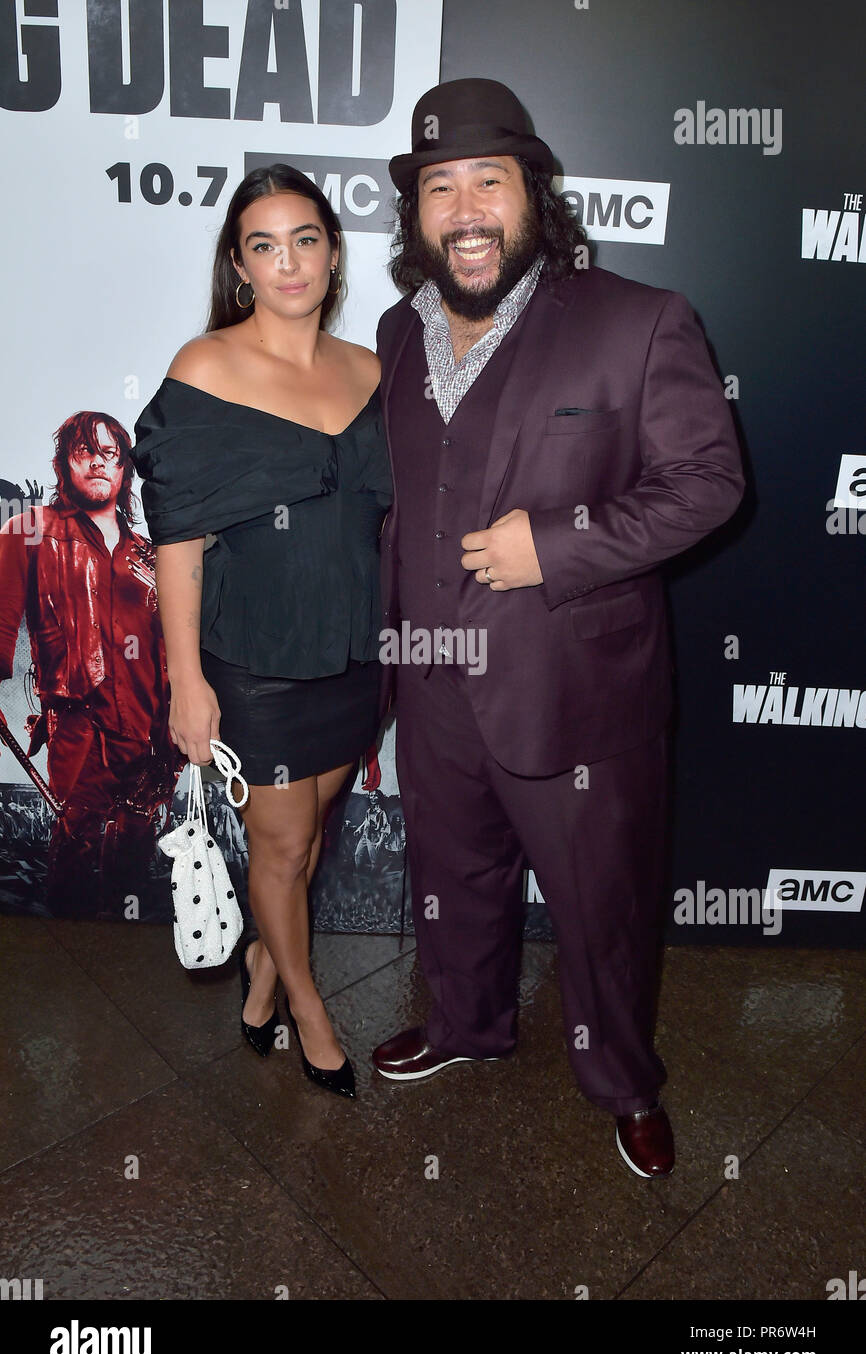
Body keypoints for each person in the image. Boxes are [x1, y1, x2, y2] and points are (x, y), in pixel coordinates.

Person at [371, 79, 745, 1175]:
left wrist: (557, 543)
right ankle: (465, 1023)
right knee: (453, 880)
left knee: (601, 908)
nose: (465, 207)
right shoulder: (397, 333)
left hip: (573, 692)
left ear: (534, 192)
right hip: (432, 682)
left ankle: (626, 1079)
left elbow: (709, 482)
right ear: (417, 215)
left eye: (489, 179)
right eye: (439, 186)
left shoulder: (637, 320)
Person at [132, 165, 393, 1099]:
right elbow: (178, 543)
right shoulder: (205, 367)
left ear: (333, 251)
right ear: (240, 265)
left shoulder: (368, 368)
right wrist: (185, 682)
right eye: (264, 245)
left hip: (354, 658)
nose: (289, 262)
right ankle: (307, 1007)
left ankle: (263, 965)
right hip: (256, 667)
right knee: (281, 850)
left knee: (311, 836)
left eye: (306, 239)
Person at [0, 413, 182, 919]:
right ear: (65, 463)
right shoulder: (31, 531)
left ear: (124, 468)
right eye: (85, 451)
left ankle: (122, 970)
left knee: (134, 859)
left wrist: (177, 727)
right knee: (74, 858)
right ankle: (71, 976)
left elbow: (170, 647)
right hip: (80, 730)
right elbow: (1, 620)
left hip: (150, 734)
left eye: (111, 453)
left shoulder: (147, 556)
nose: (99, 461)